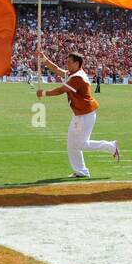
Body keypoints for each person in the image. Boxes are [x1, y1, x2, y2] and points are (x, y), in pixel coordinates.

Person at [37, 50, 119, 178]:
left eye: (69, 62)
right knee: (72, 143)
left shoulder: (77, 77)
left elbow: (62, 90)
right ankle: (81, 171)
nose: (67, 64)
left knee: (80, 144)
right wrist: (44, 59)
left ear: (77, 64)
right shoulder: (73, 74)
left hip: (86, 114)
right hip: (80, 114)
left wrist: (44, 93)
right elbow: (57, 69)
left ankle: (110, 146)